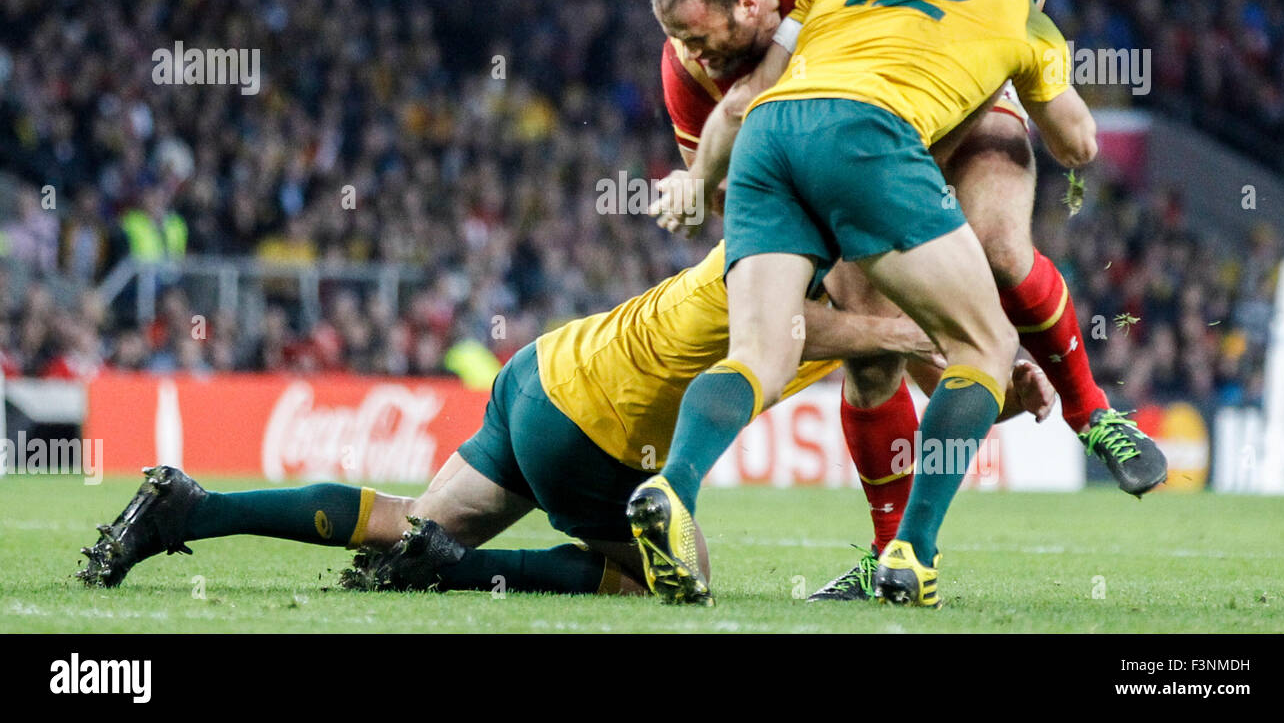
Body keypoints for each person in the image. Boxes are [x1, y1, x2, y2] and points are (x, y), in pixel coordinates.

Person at [628, 0, 1145, 608]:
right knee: (986, 345)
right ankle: (913, 552)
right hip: (873, 132)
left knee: (759, 356)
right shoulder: (1027, 17)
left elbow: (743, 101)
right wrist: (1039, 69)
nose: (692, 54)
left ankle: (673, 484)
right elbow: (1080, 145)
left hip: (767, 138)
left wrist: (695, 181)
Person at [79, 241, 1052, 596]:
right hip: (596, 427)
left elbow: (905, 375)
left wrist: (975, 381)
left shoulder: (792, 252)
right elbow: (832, 327)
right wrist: (941, 340)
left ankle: (189, 512)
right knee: (667, 574)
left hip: (540, 371)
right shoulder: (793, 282)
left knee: (413, 519)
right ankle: (467, 576)